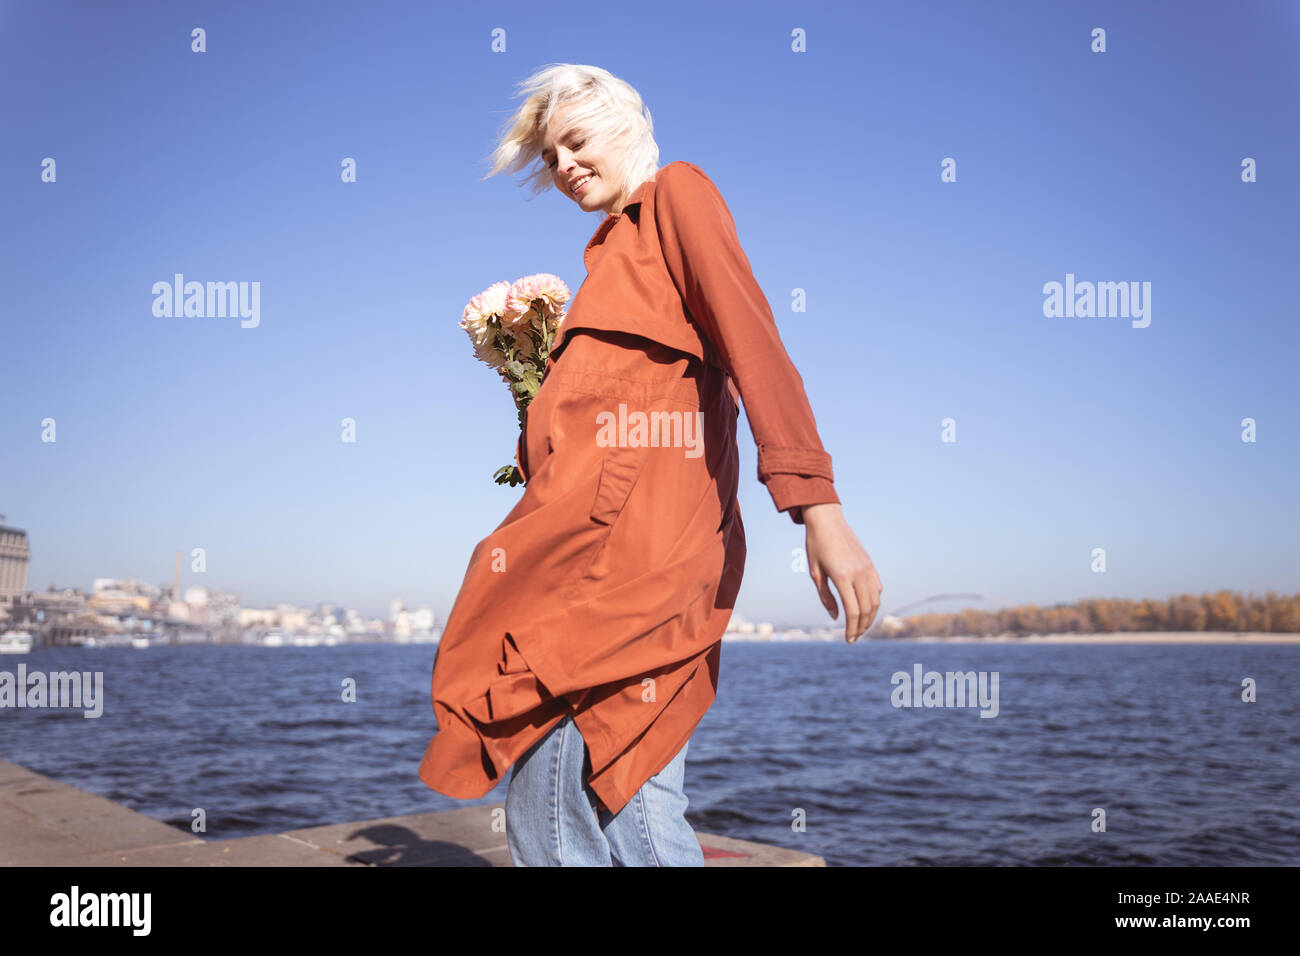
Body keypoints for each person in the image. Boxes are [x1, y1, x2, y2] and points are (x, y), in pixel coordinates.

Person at [417, 63, 883, 866]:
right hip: (581, 552)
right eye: (549, 156)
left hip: (637, 561)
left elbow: (755, 345)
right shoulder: (609, 255)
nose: (563, 166)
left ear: (627, 124)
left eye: (576, 141)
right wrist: (533, 387)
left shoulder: (678, 196)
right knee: (621, 790)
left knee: (566, 786)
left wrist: (819, 509)